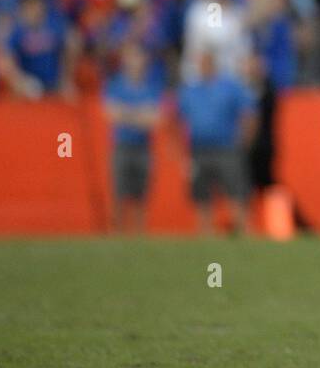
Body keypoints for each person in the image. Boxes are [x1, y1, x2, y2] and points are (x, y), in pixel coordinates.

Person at [177, 50, 257, 236]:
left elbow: (249, 115)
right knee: (202, 195)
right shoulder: (190, 90)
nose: (203, 67)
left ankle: (244, 231)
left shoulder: (230, 87)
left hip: (226, 148)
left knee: (236, 192)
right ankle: (206, 234)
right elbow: (178, 119)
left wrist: (244, 141)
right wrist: (182, 150)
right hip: (198, 149)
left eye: (207, 62)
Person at [105, 42, 163, 234]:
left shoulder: (151, 86)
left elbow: (154, 119)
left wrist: (127, 114)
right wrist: (139, 115)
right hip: (122, 146)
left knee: (141, 194)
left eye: (138, 57)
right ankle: (119, 231)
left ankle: (139, 232)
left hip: (143, 147)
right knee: (119, 192)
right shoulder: (116, 85)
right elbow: (112, 114)